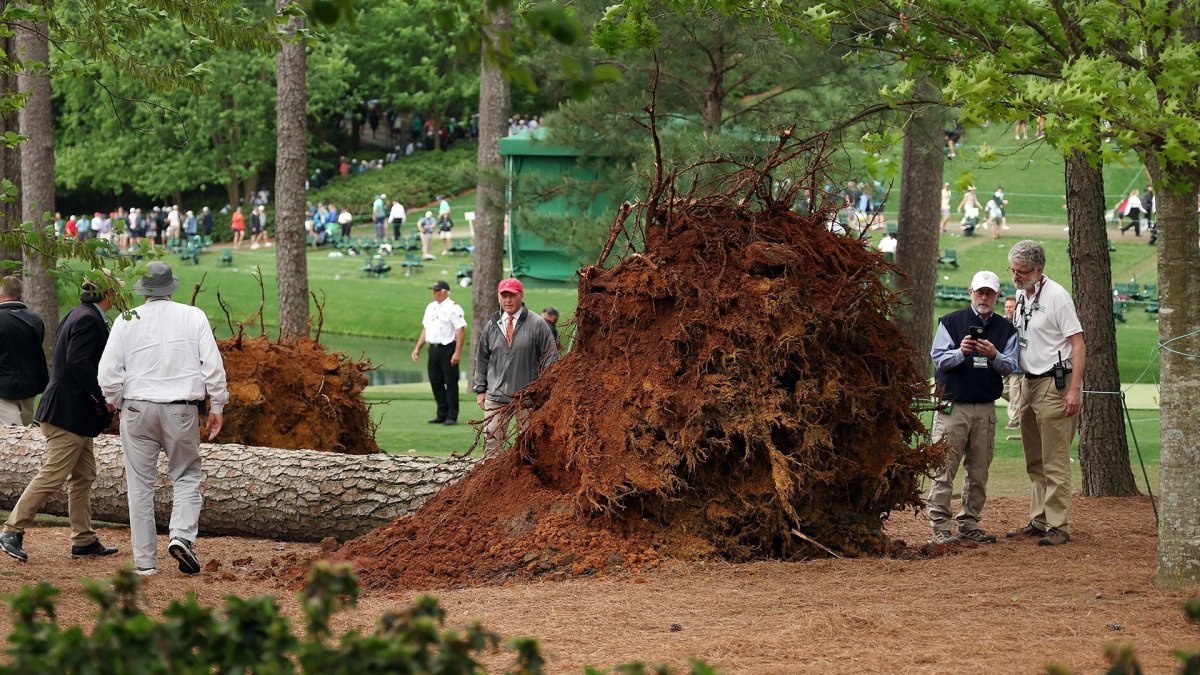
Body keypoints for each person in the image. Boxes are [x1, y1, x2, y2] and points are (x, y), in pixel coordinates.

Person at [98, 262, 228, 576]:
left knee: (140, 486)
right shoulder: (192, 316)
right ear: (171, 288)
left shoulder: (127, 320)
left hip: (138, 408)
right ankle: (181, 535)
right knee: (185, 475)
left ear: (144, 290)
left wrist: (115, 400)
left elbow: (108, 373)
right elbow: (212, 366)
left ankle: (144, 564)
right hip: (180, 409)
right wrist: (217, 406)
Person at [0, 275, 121, 563]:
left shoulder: (80, 314)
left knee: (84, 475)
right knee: (54, 474)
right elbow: (78, 362)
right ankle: (11, 529)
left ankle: (84, 539)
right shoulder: (89, 319)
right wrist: (104, 397)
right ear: (109, 293)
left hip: (73, 415)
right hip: (67, 414)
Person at [926, 271, 1018, 544]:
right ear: (971, 292)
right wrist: (961, 352)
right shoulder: (951, 322)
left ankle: (969, 523)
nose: (984, 298)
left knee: (979, 471)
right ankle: (940, 528)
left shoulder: (1006, 329)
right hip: (952, 407)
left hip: (985, 408)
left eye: (990, 293)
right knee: (944, 470)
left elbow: (1012, 366)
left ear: (997, 296)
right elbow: (939, 360)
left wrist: (994, 355)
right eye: (980, 292)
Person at [1004, 240, 1085, 547]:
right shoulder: (1022, 295)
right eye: (1013, 270)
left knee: (1055, 459)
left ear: (1039, 270)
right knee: (1034, 458)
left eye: (1022, 271)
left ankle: (1058, 525)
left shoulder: (1057, 297)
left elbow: (1078, 343)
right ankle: (1039, 520)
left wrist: (1074, 388)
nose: (1015, 276)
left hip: (1055, 382)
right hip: (1027, 382)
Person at [473, 278, 559, 456]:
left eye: (512, 295)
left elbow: (551, 357)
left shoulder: (538, 324)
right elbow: (482, 359)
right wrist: (481, 389)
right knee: (491, 444)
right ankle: (490, 482)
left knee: (530, 445)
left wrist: (544, 389)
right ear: (498, 297)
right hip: (496, 395)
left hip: (528, 398)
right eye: (504, 296)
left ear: (521, 296)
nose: (508, 300)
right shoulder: (492, 325)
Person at [411, 280, 467, 426]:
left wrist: (457, 353)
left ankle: (452, 415)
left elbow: (460, 331)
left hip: (448, 348)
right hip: (433, 349)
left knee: (450, 382)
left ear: (445, 292)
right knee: (435, 381)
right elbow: (426, 329)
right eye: (433, 291)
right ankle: (441, 413)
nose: (434, 293)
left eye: (436, 291)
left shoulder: (453, 308)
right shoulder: (430, 307)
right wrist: (417, 348)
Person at [0, 276, 49, 426]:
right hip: (30, 387)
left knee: (13, 435)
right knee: (26, 431)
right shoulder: (35, 319)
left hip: (3, 389)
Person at [1001, 296, 1024, 430]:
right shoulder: (1001, 323)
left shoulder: (1021, 323)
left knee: (1015, 393)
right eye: (1007, 306)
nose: (1009, 309)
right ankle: (1022, 405)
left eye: (1011, 306)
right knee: (1001, 390)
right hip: (1003, 364)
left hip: (1017, 367)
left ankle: (1014, 421)